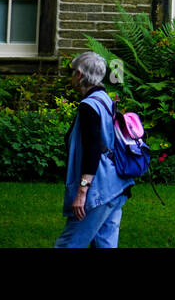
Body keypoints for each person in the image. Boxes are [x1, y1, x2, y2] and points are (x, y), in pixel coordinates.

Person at [55, 51, 134, 248]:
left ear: (80, 75)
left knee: (68, 244)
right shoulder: (105, 99)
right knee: (104, 244)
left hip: (99, 189)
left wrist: (82, 191)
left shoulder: (88, 106)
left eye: (72, 72)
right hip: (116, 185)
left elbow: (93, 149)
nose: (71, 76)